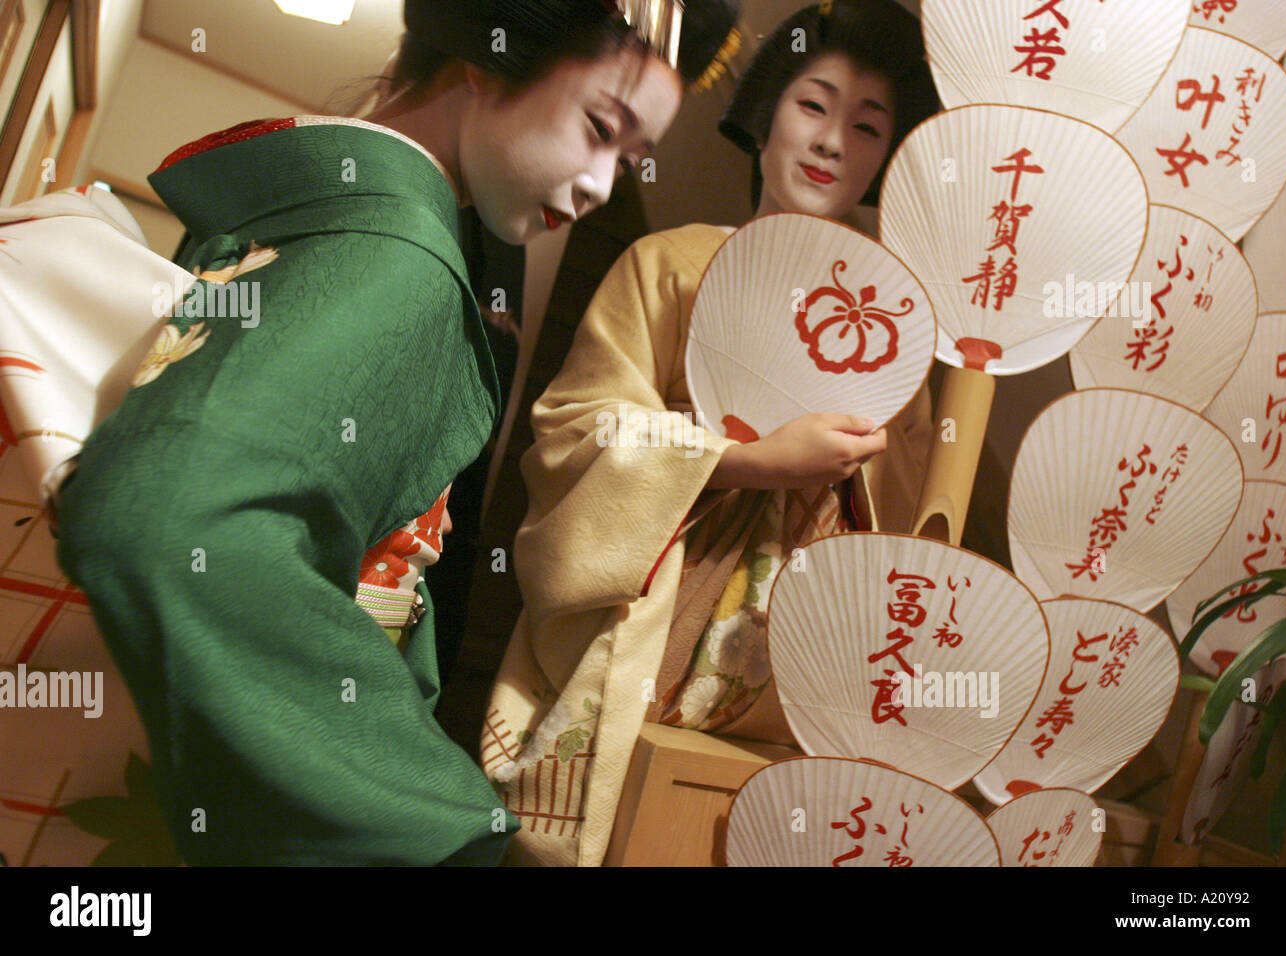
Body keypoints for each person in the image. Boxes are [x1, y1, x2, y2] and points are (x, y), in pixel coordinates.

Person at [50, 0, 742, 866]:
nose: (605, 184)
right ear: (486, 54)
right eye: (601, 128)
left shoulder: (309, 212)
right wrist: (434, 822)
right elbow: (164, 518)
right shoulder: (398, 254)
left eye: (630, 157)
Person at [480, 0, 941, 866]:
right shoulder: (669, 263)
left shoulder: (899, 335)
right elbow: (576, 433)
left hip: (795, 664)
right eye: (813, 105)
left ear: (886, 157)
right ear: (764, 115)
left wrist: (845, 475)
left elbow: (908, 529)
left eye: (867, 126)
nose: (831, 141)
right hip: (644, 615)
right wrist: (744, 460)